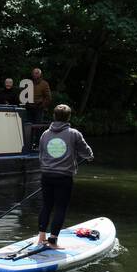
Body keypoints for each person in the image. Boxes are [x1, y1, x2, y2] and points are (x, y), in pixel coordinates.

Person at [35, 104, 94, 249]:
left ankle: (41, 237)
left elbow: (41, 155)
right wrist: (90, 157)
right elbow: (85, 151)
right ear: (69, 117)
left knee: (46, 205)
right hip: (63, 177)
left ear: (54, 116)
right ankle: (52, 241)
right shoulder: (74, 133)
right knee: (60, 207)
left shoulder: (45, 134)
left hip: (46, 175)